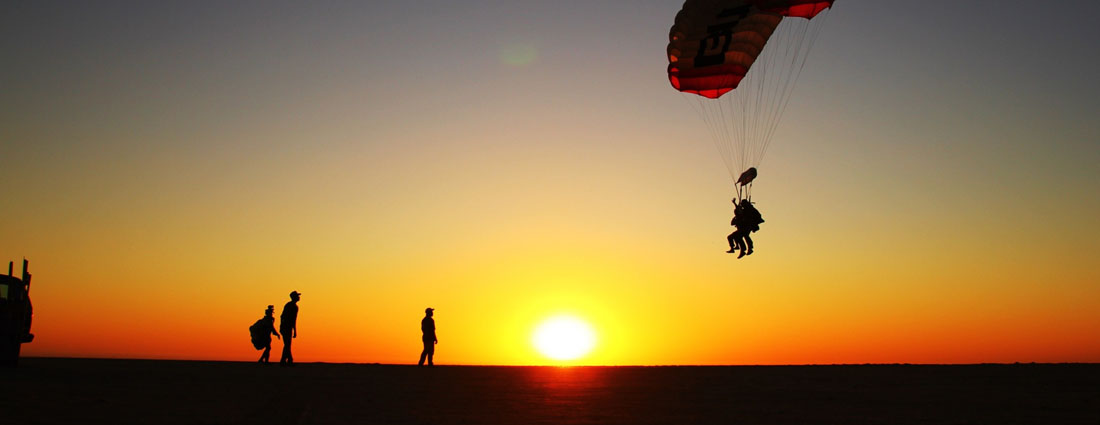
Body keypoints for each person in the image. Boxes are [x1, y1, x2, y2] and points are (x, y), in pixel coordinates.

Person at [279, 291, 300, 366]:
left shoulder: (290, 305)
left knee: (287, 344)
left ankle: (287, 359)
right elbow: (293, 319)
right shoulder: (293, 306)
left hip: (286, 327)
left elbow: (283, 317)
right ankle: (285, 360)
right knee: (287, 344)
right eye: (297, 296)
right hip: (287, 327)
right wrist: (295, 330)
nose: (299, 297)